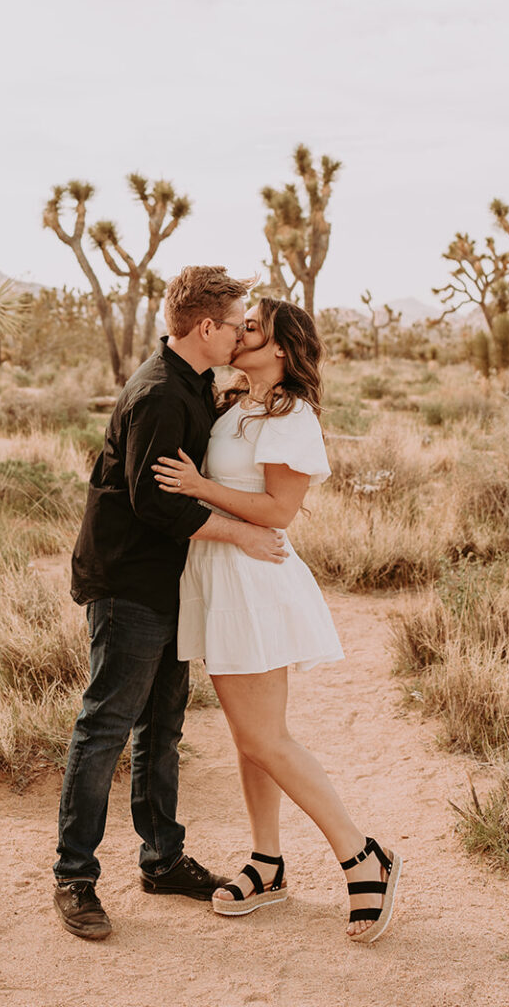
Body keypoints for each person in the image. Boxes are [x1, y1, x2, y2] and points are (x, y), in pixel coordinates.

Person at [153, 296, 402, 945]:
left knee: (267, 739)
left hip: (252, 582)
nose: (241, 333)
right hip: (221, 577)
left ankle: (360, 855)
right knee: (250, 737)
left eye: (254, 328)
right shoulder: (239, 403)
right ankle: (267, 863)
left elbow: (279, 511)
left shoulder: (290, 416)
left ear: (283, 350)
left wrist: (199, 487)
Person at [53, 266, 288, 942]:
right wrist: (244, 532)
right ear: (206, 327)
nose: (244, 331)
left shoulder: (193, 384)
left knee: (162, 727)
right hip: (131, 584)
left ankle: (162, 860)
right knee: (105, 728)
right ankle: (75, 877)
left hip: (171, 584)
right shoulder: (159, 393)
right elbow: (154, 503)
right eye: (238, 322)